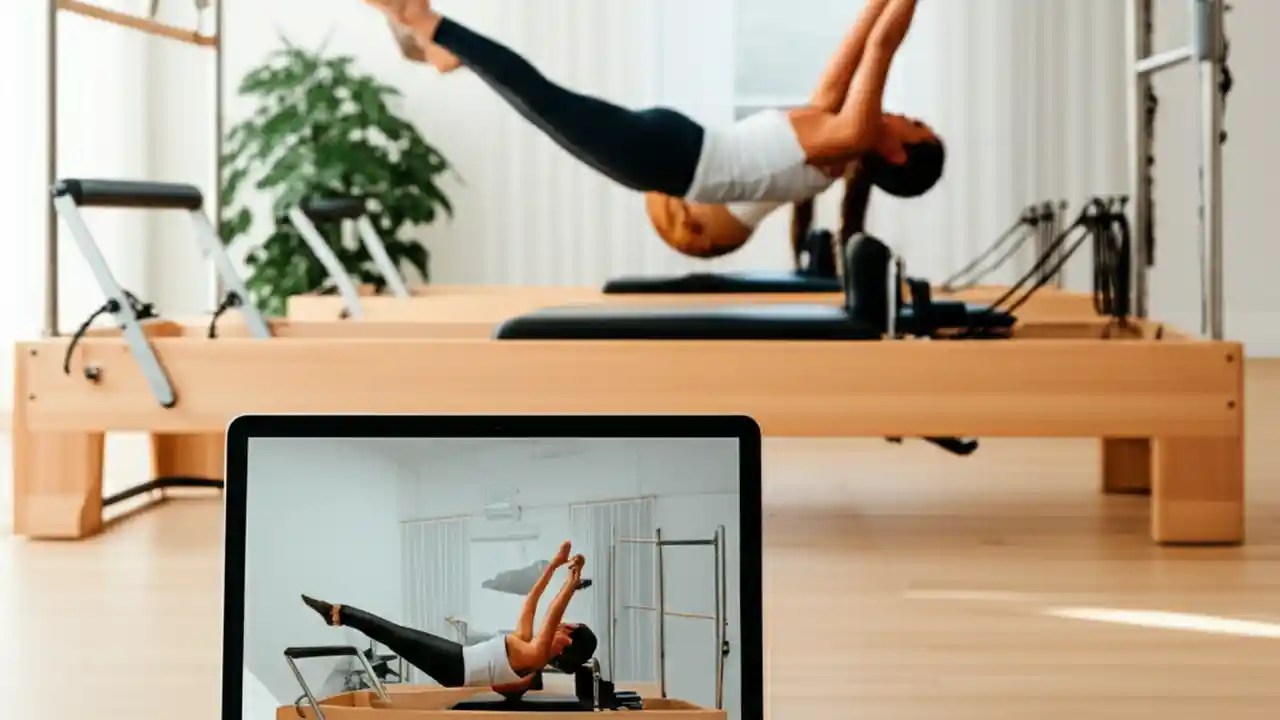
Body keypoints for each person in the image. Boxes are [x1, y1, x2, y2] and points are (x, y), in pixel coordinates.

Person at [361, 0, 944, 260]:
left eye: (914, 126)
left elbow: (881, 48)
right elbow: (855, 45)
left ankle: (427, 23)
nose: (905, 116)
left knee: (540, 98)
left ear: (898, 154)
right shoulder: (832, 125)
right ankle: (440, 43)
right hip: (673, 146)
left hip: (663, 158)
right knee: (541, 99)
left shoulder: (847, 140)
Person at [301, 541, 595, 697]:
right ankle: (338, 614)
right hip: (458, 658)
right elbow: (532, 601)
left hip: (457, 668)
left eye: (565, 627)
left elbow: (551, 613)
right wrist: (554, 566)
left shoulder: (535, 656)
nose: (559, 624)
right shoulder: (527, 645)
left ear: (568, 639)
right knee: (397, 634)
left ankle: (338, 614)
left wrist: (570, 584)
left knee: (395, 635)